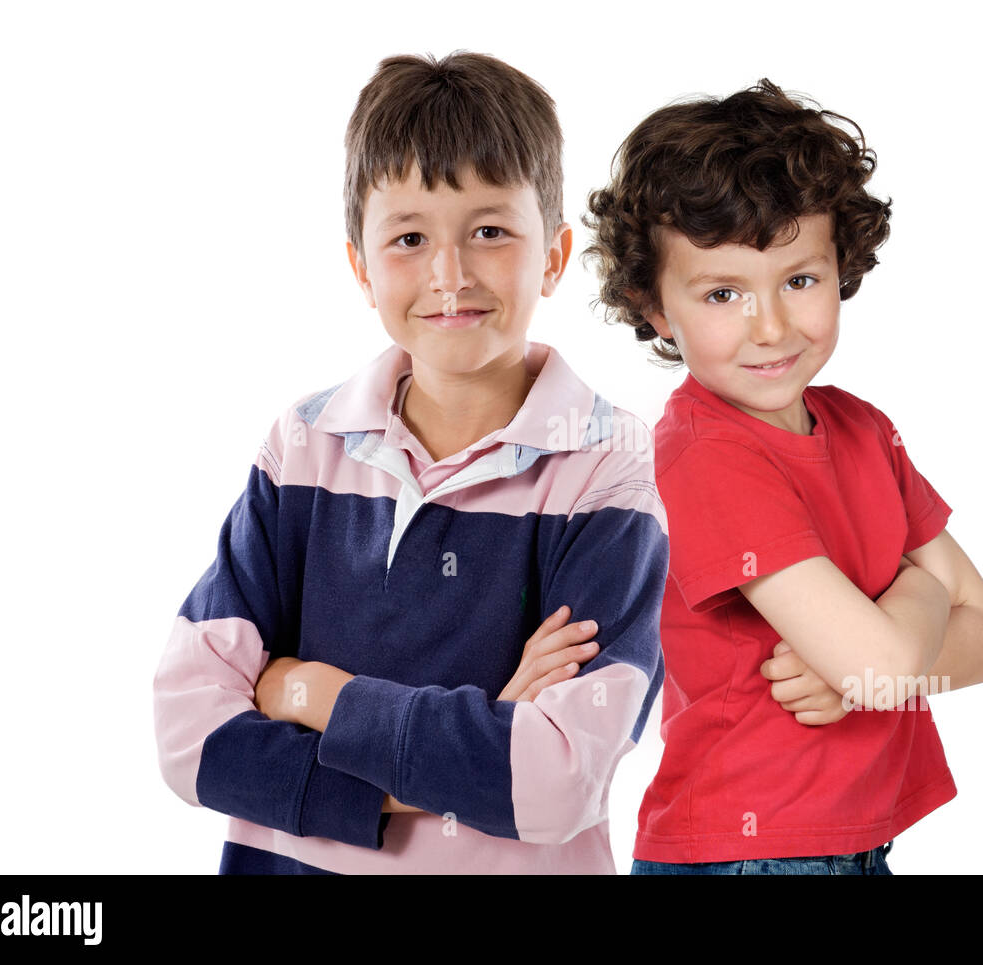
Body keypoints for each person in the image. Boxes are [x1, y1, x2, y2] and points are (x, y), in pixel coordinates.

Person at [152, 51, 667, 874]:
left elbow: (556, 780)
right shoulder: (303, 444)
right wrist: (469, 747)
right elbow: (188, 735)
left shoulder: (605, 466)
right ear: (360, 263)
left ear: (556, 255)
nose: (449, 275)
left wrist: (309, 692)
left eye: (491, 231)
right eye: (409, 237)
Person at [582, 79, 983, 874]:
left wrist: (870, 669)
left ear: (840, 265)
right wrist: (913, 600)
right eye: (722, 293)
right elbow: (899, 655)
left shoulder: (863, 429)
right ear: (655, 309)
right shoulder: (705, 455)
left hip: (850, 847)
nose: (770, 326)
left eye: (799, 280)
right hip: (747, 857)